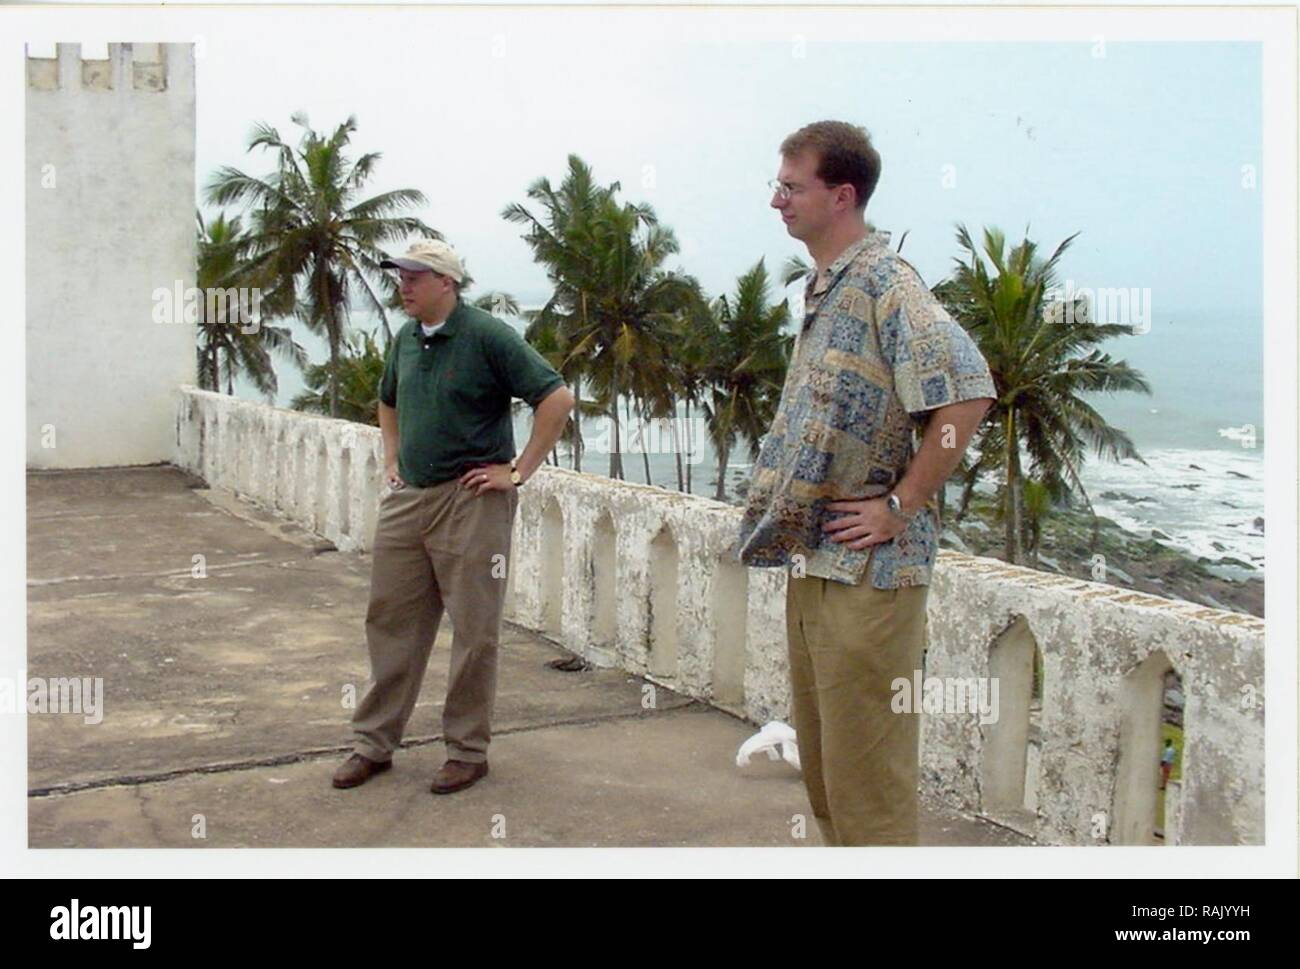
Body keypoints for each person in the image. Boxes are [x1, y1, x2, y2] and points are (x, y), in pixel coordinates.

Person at [737, 121, 997, 845]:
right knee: (824, 771)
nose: (777, 201)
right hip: (818, 560)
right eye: (777, 185)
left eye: (791, 187)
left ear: (841, 195)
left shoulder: (887, 282)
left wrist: (898, 505)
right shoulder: (825, 285)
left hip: (872, 573)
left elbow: (968, 393)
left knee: (867, 779)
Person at [333, 239, 575, 794]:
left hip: (471, 503)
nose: (404, 285)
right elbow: (387, 399)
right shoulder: (407, 338)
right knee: (390, 622)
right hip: (410, 499)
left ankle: (467, 751)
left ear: (447, 282)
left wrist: (517, 472)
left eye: (415, 277)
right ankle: (373, 743)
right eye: (401, 275)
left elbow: (556, 399)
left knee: (474, 630)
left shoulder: (487, 335)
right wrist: (391, 458)